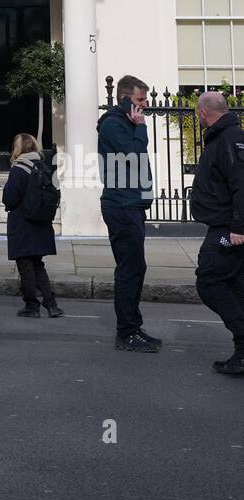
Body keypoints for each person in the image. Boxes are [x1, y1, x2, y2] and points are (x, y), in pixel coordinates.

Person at [97, 75, 161, 353]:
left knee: (136, 268)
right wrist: (142, 127)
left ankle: (133, 327)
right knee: (129, 270)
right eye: (140, 100)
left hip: (130, 204)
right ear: (125, 100)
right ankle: (126, 333)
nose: (144, 105)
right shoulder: (113, 124)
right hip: (121, 205)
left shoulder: (125, 123)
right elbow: (134, 156)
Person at [190, 91, 244, 376]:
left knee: (209, 282)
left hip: (227, 228)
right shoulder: (222, 137)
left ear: (203, 112)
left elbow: (241, 184)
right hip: (224, 225)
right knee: (235, 286)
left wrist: (238, 227)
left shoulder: (229, 139)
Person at [2, 133, 64, 318]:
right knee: (38, 264)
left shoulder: (18, 169)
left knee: (25, 265)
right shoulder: (43, 166)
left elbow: (10, 199)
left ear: (18, 148)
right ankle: (51, 304)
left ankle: (31, 305)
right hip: (41, 223)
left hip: (23, 224)